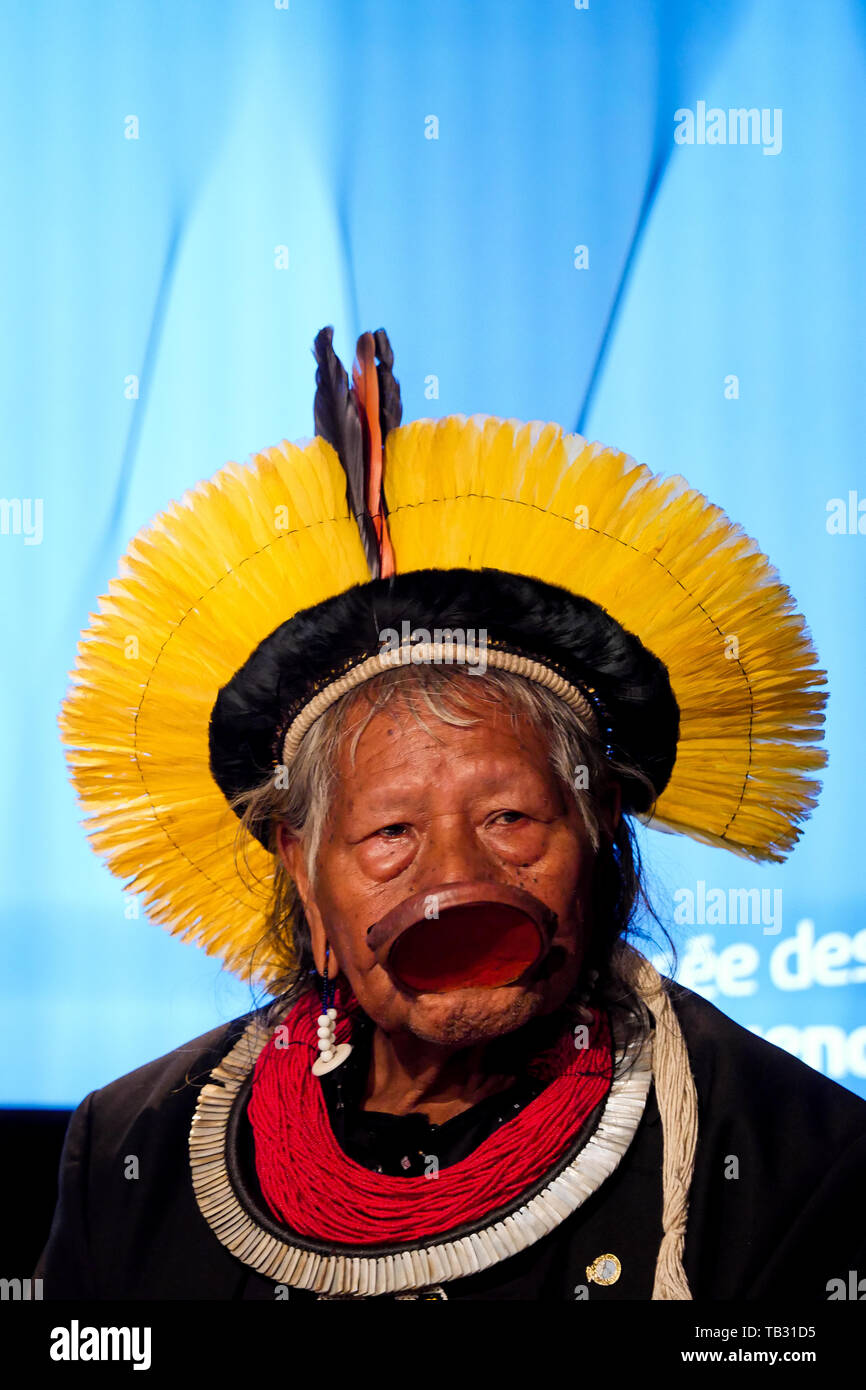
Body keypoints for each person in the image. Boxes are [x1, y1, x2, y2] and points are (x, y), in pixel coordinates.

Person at [38, 327, 866, 1300]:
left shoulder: (781, 1155)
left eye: (510, 817)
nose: (453, 881)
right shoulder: (134, 1147)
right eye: (390, 832)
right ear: (299, 861)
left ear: (597, 824)